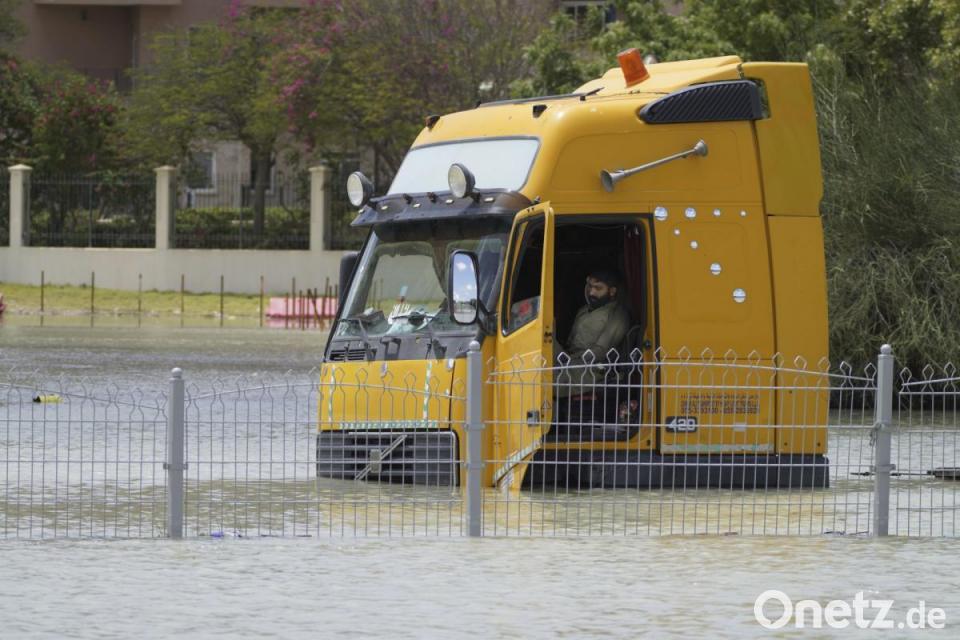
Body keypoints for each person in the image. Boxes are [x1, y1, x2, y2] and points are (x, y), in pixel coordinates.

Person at [552, 269, 632, 440]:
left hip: (593, 370)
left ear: (612, 291)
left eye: (598, 288)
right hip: (572, 361)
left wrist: (569, 361)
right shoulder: (583, 310)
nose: (591, 292)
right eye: (589, 286)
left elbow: (600, 351)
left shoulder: (618, 314)